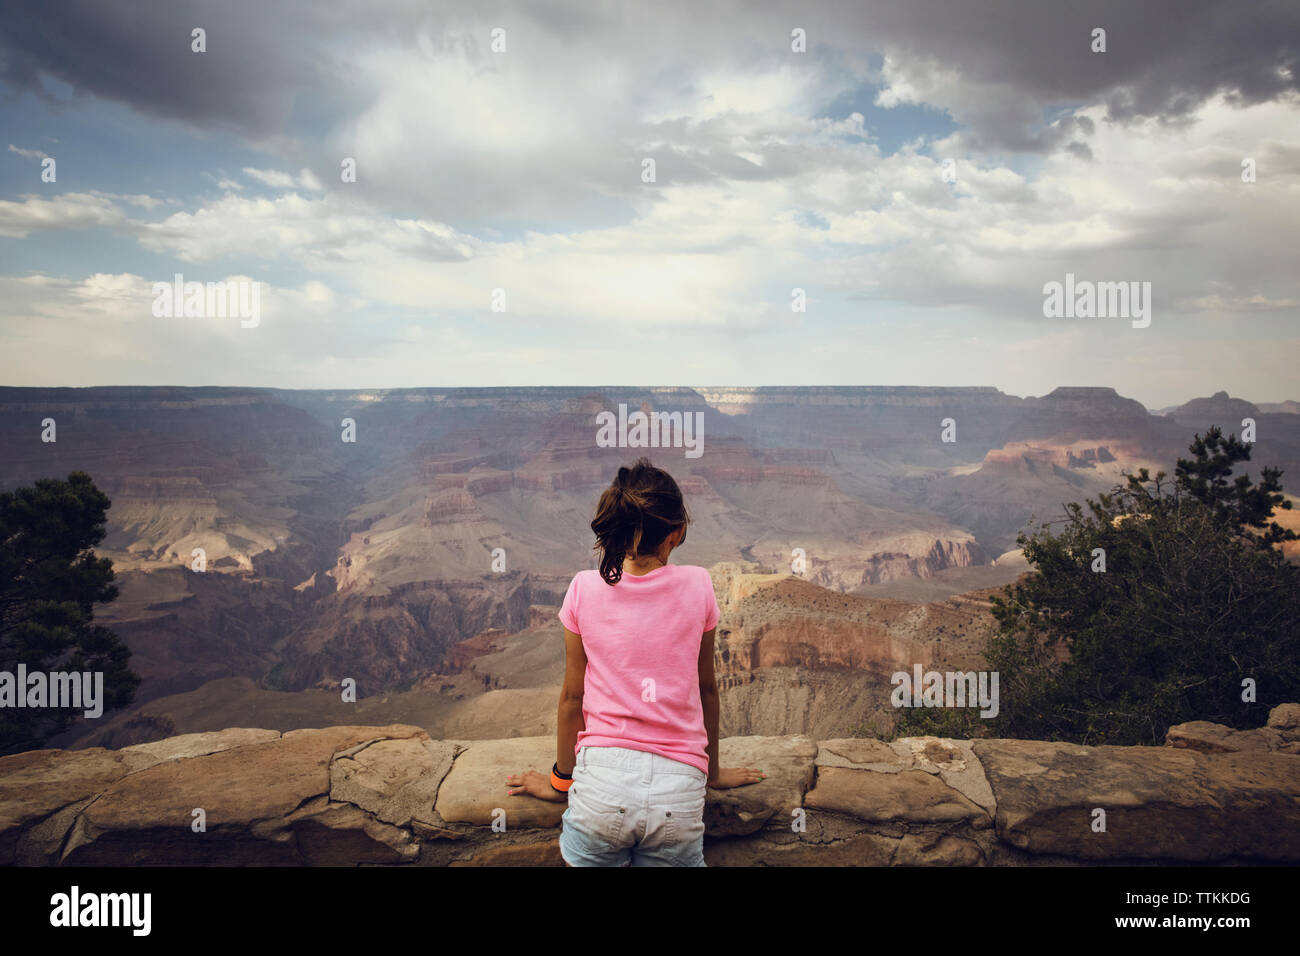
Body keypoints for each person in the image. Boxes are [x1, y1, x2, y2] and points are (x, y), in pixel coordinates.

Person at [505, 457, 764, 865]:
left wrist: (560, 782)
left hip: (600, 798)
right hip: (677, 800)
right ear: (676, 534)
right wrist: (712, 774)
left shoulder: (582, 589)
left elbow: (573, 698)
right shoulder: (699, 585)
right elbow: (706, 689)